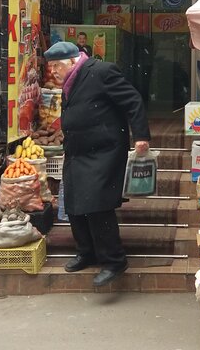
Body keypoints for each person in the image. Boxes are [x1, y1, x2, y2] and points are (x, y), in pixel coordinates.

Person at [44, 40, 151, 287]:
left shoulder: (101, 72)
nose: (54, 72)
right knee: (73, 202)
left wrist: (141, 136)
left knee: (96, 203)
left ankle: (114, 260)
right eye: (52, 68)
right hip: (77, 151)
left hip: (104, 150)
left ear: (72, 61)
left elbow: (132, 101)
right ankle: (86, 252)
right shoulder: (69, 81)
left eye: (57, 66)